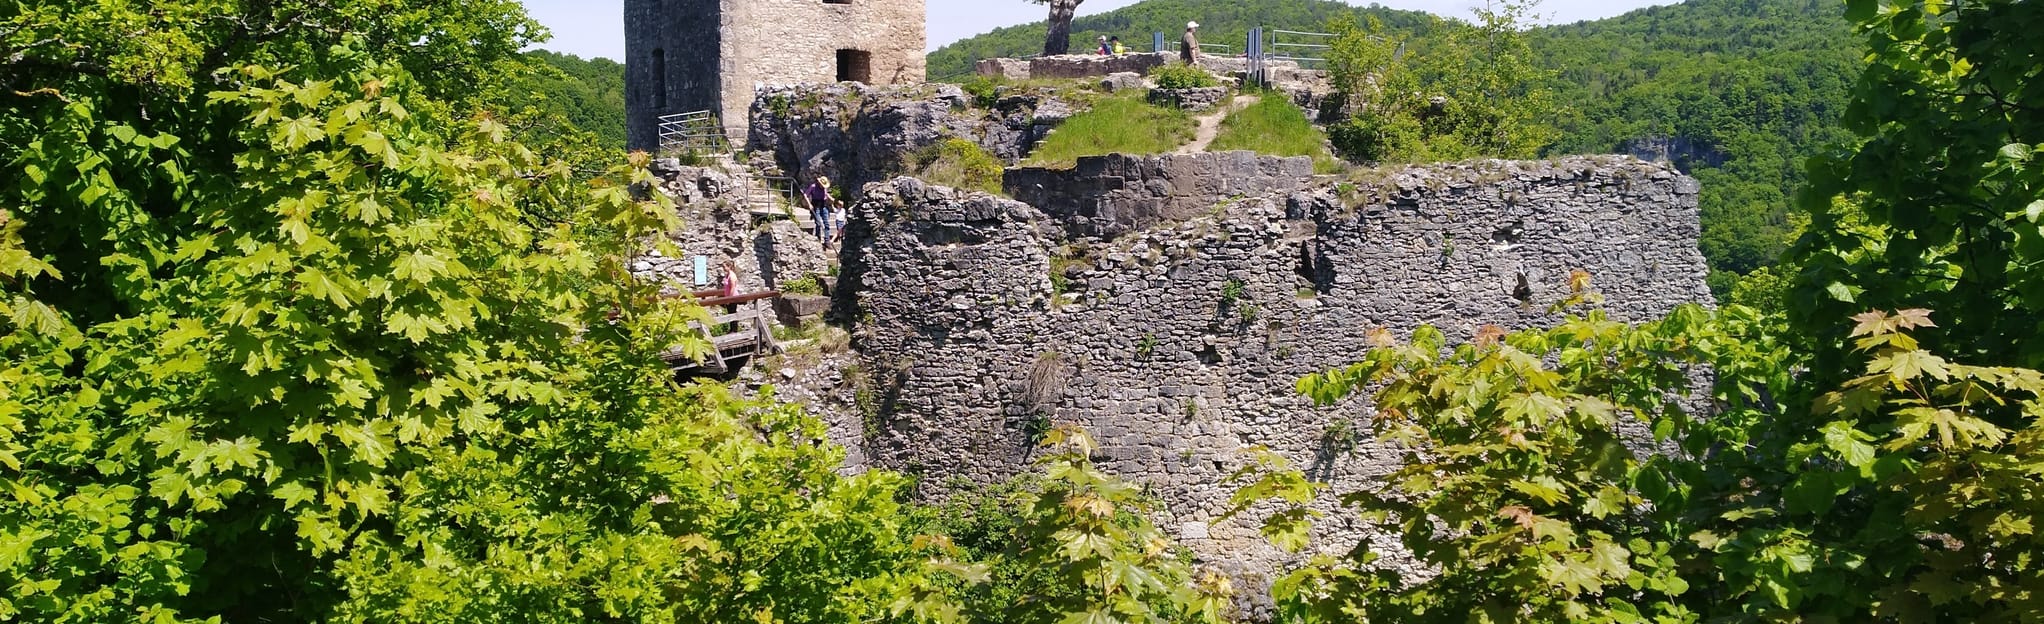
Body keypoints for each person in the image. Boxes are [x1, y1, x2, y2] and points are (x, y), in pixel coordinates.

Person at [802, 176, 842, 243]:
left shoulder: (824, 188)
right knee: (818, 223)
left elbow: (826, 194)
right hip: (816, 205)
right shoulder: (813, 187)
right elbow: (805, 195)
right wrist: (809, 204)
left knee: (826, 223)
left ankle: (827, 240)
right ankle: (818, 237)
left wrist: (831, 199)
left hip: (823, 205)